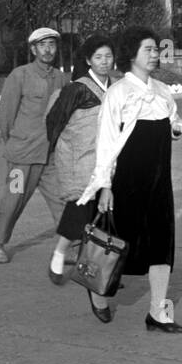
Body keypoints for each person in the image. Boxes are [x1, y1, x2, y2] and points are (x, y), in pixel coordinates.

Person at [78, 26, 182, 329]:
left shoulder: (163, 91)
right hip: (125, 182)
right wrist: (105, 186)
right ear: (133, 55)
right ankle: (99, 294)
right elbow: (105, 143)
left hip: (158, 182)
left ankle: (157, 310)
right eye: (148, 49)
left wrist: (177, 128)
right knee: (114, 241)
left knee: (161, 242)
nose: (155, 54)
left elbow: (170, 122)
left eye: (156, 49)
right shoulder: (119, 93)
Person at [40, 33, 118, 286]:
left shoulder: (115, 87)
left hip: (106, 157)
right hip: (80, 157)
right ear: (88, 60)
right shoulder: (77, 88)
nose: (104, 61)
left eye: (108, 56)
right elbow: (54, 122)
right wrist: (69, 147)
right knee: (81, 208)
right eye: (99, 57)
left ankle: (97, 268)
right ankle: (60, 253)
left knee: (104, 213)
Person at [0, 26, 66, 263]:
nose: (47, 49)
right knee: (13, 201)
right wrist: (14, 143)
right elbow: (6, 114)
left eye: (51, 44)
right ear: (33, 49)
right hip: (22, 156)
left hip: (50, 156)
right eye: (42, 45)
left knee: (62, 201)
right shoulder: (19, 75)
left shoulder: (62, 78)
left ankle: (70, 246)